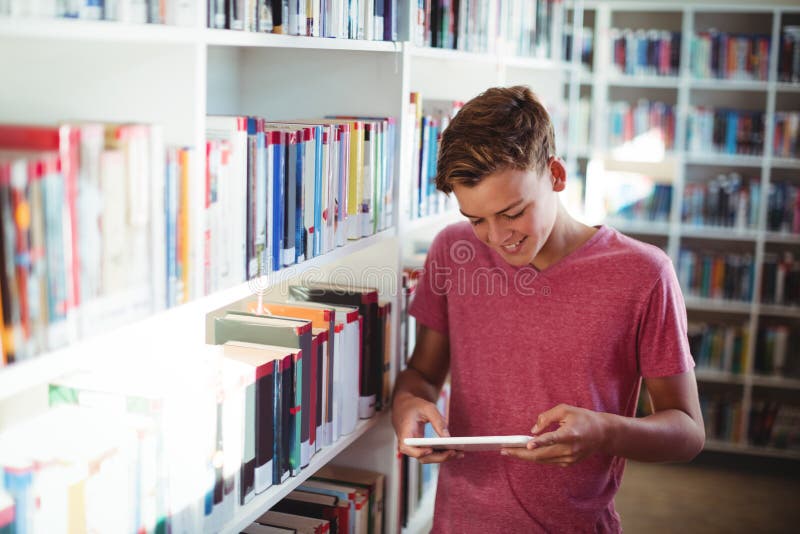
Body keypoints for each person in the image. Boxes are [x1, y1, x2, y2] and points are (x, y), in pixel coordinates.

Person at [391, 85, 705, 533]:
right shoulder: (452, 250)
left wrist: (604, 432)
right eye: (476, 219)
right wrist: (406, 406)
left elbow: (688, 433)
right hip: (457, 522)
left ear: (555, 174)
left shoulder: (644, 273)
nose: (497, 237)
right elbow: (420, 376)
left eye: (513, 212)